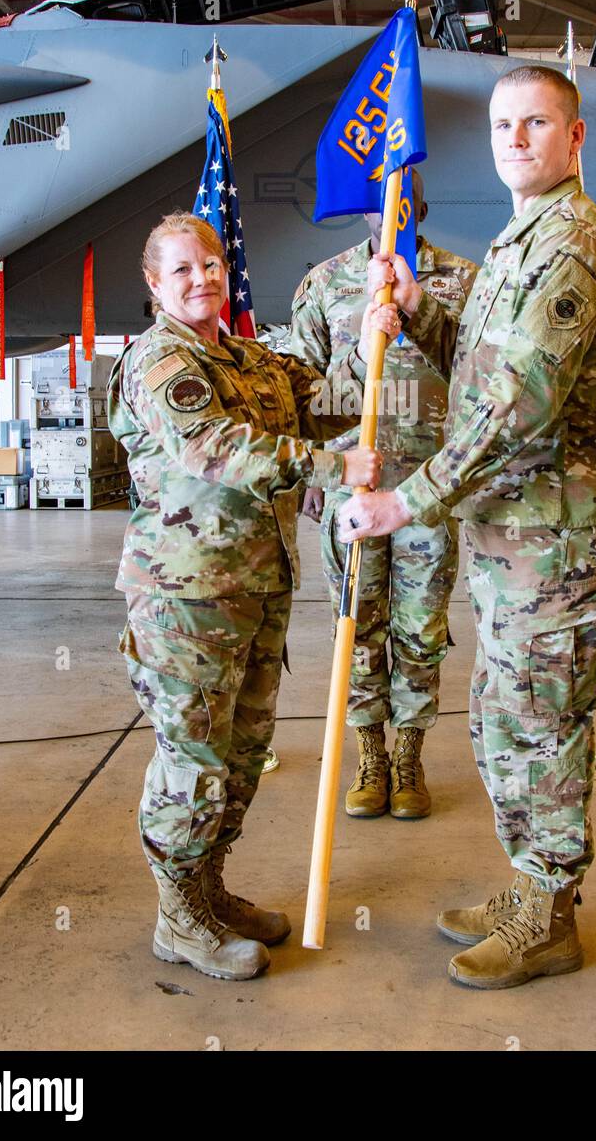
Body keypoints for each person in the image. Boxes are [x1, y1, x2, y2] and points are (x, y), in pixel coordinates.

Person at [337, 67, 596, 989]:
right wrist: (420, 308)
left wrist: (407, 501)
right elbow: (482, 366)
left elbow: (519, 402)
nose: (514, 139)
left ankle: (549, 915)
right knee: (503, 718)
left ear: (574, 137)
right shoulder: (520, 239)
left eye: (535, 123)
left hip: (553, 531)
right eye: (501, 125)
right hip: (511, 530)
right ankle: (528, 887)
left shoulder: (575, 245)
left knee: (541, 722)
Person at [107, 211, 399, 981]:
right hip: (187, 596)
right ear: (153, 284)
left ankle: (208, 889)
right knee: (194, 761)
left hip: (259, 585)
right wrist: (336, 471)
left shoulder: (250, 358)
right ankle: (178, 917)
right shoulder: (158, 362)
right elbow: (213, 446)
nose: (202, 279)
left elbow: (327, 402)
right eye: (181, 270)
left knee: (240, 757)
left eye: (210, 264)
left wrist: (375, 336)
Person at [288, 170, 477, 819]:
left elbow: (484, 381)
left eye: (405, 189)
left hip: (427, 495)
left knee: (420, 633)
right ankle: (370, 755)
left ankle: (409, 757)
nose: (394, 202)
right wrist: (314, 474)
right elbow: (302, 392)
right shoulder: (324, 284)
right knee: (356, 630)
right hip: (351, 492)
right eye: (380, 192)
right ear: (361, 206)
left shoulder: (461, 281)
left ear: (422, 201)